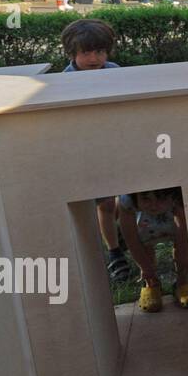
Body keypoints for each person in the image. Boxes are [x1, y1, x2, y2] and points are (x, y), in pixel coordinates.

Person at [60, 18, 129, 276]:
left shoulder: (114, 70)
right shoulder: (65, 81)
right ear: (72, 53)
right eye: (86, 52)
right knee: (105, 203)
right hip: (88, 148)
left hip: (115, 143)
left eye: (99, 51)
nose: (94, 58)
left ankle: (124, 236)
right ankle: (114, 251)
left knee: (124, 199)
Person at [119, 187, 188, 312]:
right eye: (146, 199)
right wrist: (145, 267)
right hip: (143, 227)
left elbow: (183, 231)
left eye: (161, 199)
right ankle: (151, 283)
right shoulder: (127, 201)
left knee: (183, 257)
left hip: (172, 223)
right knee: (146, 253)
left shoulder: (178, 196)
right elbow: (131, 239)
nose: (154, 206)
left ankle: (182, 282)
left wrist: (183, 257)